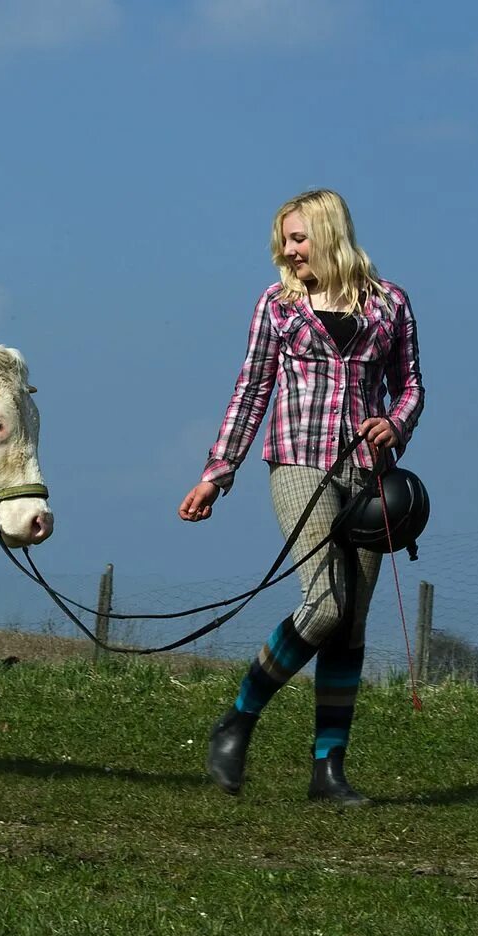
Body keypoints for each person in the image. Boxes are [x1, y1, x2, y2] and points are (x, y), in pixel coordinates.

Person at [178, 189, 424, 806]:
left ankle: (327, 769)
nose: (287, 252)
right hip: (297, 464)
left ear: (329, 234)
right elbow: (250, 390)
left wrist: (395, 424)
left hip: (369, 475)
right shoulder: (278, 307)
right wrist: (217, 472)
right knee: (327, 603)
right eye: (283, 241)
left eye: (298, 239)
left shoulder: (390, 304)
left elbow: (412, 386)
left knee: (350, 625)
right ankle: (239, 717)